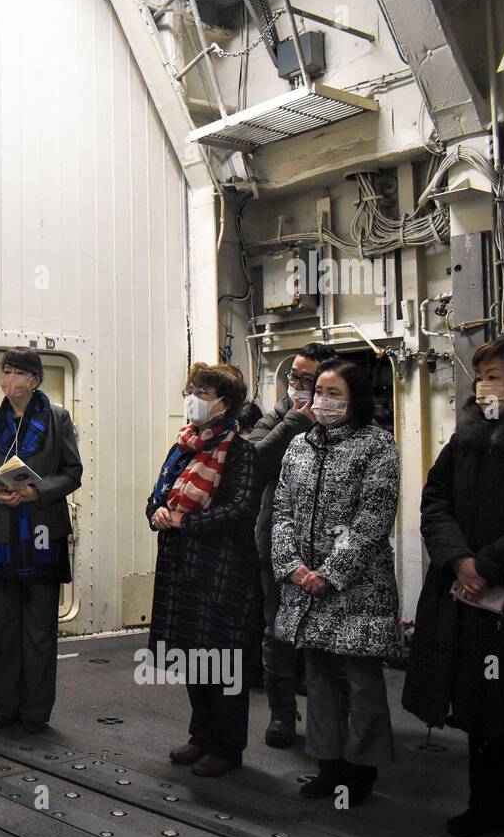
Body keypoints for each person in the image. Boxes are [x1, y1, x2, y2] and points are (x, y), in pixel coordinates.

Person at [402, 336, 504, 837]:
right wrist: (460, 560)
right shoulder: (467, 439)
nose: (483, 387)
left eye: (494, 377)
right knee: (480, 706)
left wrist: (489, 565)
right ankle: (483, 806)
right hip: (468, 595)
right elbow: (435, 500)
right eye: (480, 377)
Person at [271, 358, 399, 805]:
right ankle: (327, 765)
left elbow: (373, 518)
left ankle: (360, 770)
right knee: (320, 679)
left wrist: (331, 573)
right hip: (305, 586)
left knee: (361, 682)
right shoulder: (300, 445)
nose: (322, 401)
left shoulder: (377, 446)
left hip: (358, 588)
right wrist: (292, 566)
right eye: (319, 392)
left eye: (334, 394)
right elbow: (281, 510)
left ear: (355, 399)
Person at [146, 363, 262, 777]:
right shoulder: (183, 446)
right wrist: (158, 512)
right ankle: (201, 735)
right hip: (182, 567)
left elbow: (241, 509)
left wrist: (186, 522)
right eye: (191, 390)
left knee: (223, 659)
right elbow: (158, 495)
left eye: (202, 392)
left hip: (223, 572)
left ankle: (226, 747)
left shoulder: (241, 451)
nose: (193, 398)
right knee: (194, 656)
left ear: (224, 403)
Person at [0, 347, 82, 734]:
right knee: (4, 627)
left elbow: (72, 473)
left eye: (15, 373)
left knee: (40, 628)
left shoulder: (58, 418)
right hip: (0, 533)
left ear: (33, 380)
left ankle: (35, 713)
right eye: (4, 373)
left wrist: (35, 492)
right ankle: (5, 708)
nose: (6, 381)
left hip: (43, 532)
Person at [247, 342, 337, 747]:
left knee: (328, 633)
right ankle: (281, 713)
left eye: (306, 378)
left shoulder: (345, 424)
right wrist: (294, 422)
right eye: (293, 376)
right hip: (277, 538)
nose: (296, 384)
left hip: (330, 546)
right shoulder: (278, 416)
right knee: (277, 628)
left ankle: (328, 717)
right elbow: (254, 462)